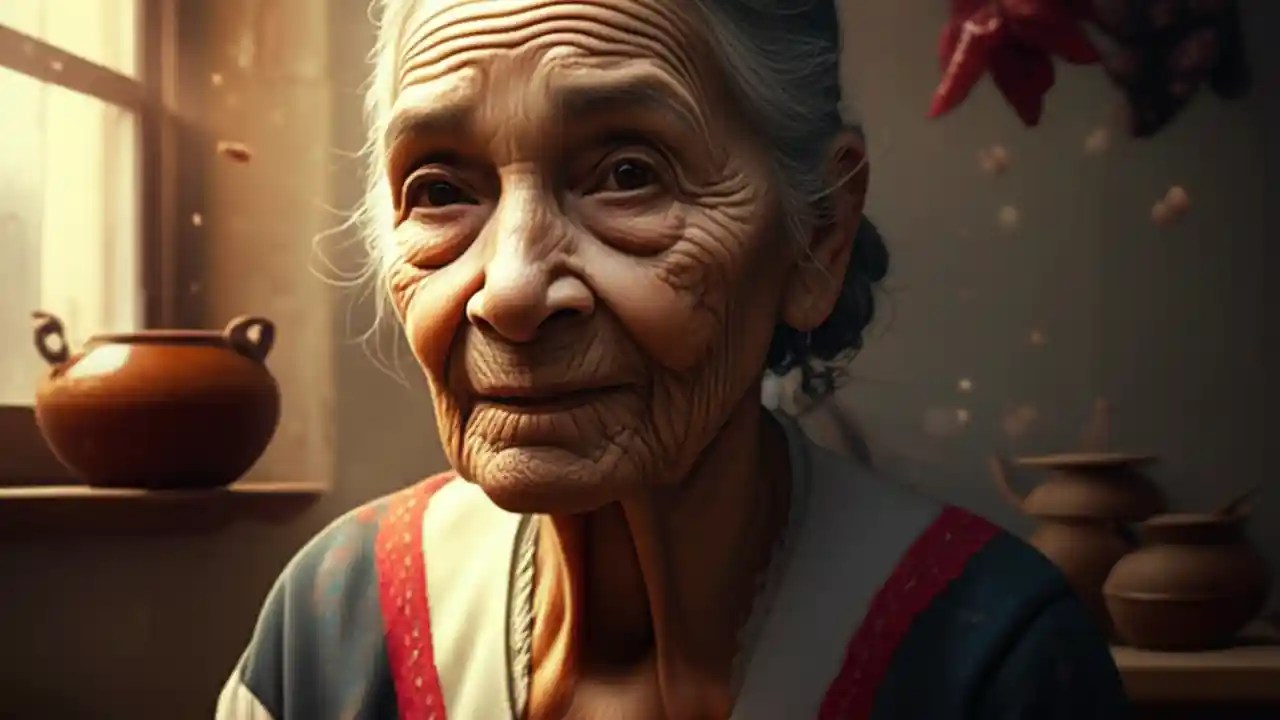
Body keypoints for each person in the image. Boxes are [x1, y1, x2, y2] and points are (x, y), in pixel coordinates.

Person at [217, 0, 1132, 718]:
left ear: (818, 236)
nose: (510, 290)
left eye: (628, 173)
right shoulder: (334, 628)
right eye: (442, 189)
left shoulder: (990, 654)